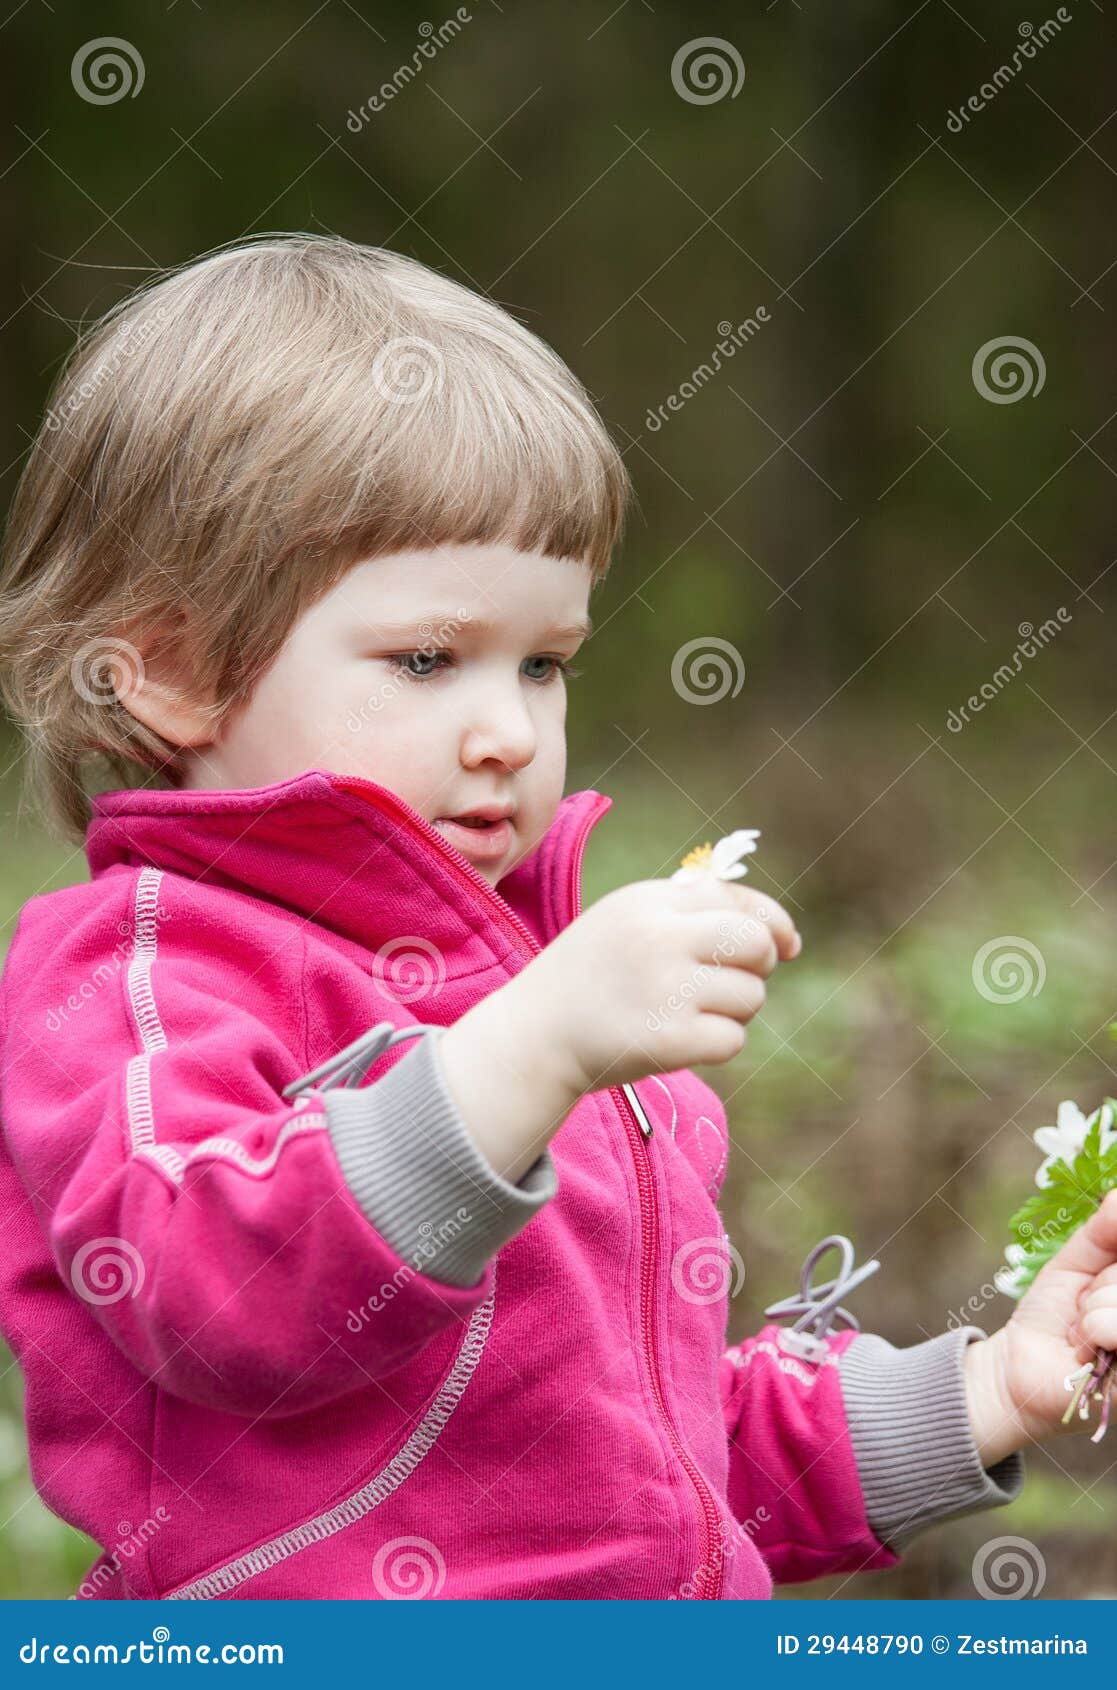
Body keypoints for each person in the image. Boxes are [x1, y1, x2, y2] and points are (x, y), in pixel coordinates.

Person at [0, 235, 1113, 1602]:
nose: (504, 731)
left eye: (543, 663)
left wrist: (991, 1388)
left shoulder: (524, 984)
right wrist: (521, 1054)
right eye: (426, 659)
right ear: (170, 667)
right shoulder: (143, 969)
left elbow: (646, 1475)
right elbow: (213, 1290)